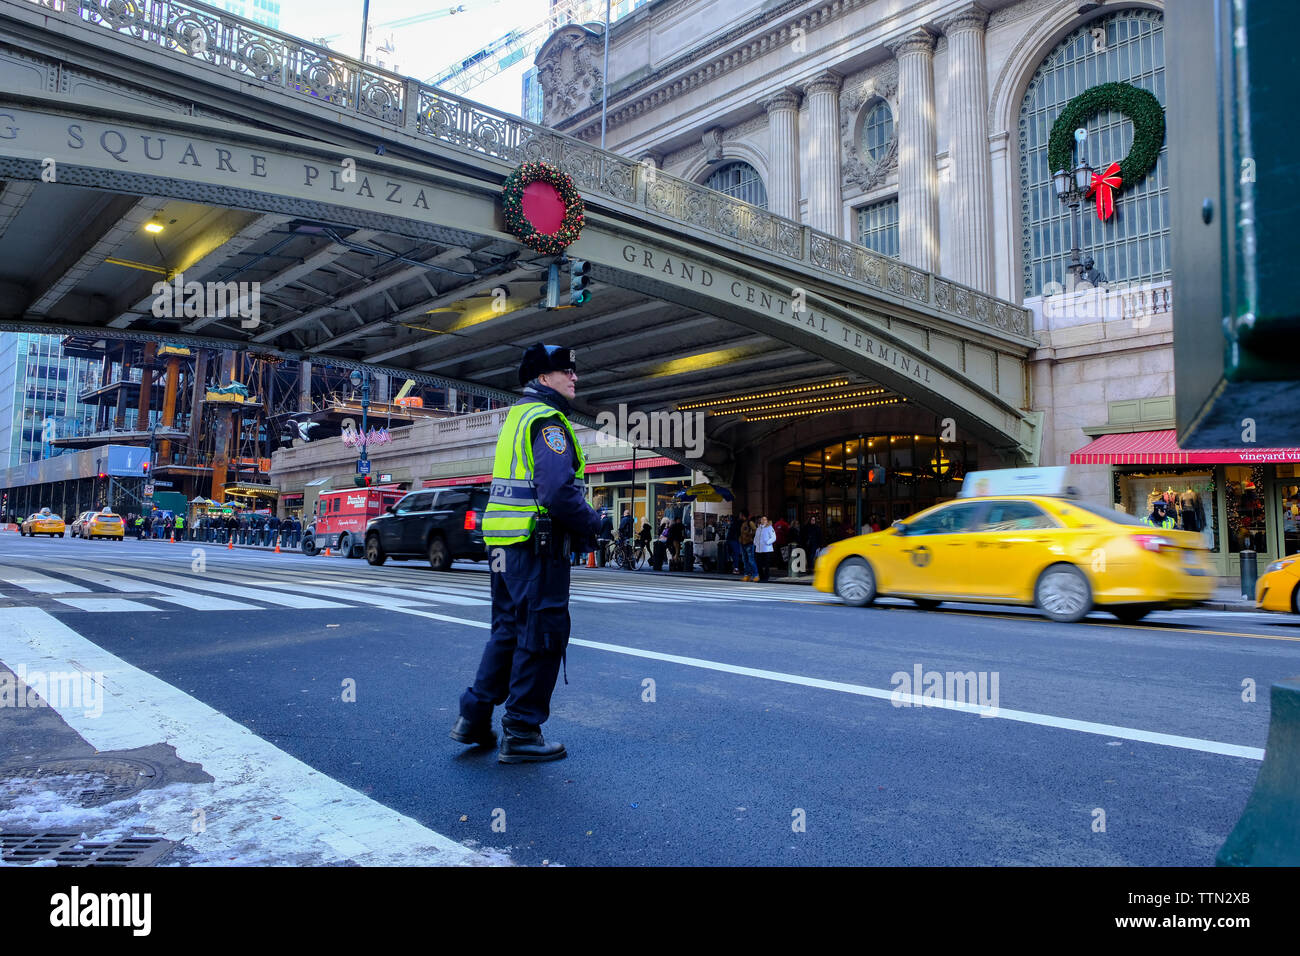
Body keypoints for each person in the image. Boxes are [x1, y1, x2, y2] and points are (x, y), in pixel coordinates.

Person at [452, 344, 601, 764]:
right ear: (541, 379)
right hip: (537, 547)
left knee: (507, 631)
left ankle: (474, 716)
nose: (574, 378)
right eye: (563, 372)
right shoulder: (547, 421)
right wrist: (593, 523)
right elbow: (557, 491)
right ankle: (521, 731)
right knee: (542, 634)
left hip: (504, 546)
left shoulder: (516, 418)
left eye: (573, 371)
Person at [755, 515, 776, 581]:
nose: (763, 521)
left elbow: (773, 537)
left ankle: (766, 577)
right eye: (762, 519)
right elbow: (756, 537)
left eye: (765, 519)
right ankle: (761, 577)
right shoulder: (758, 528)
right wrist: (755, 543)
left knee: (766, 565)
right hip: (758, 549)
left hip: (766, 549)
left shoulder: (769, 528)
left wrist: (767, 542)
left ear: (767, 521)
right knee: (759, 564)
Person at [739, 510, 758, 581]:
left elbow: (755, 530)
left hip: (749, 543)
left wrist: (749, 535)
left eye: (740, 514)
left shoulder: (750, 522)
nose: (739, 516)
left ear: (743, 515)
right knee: (745, 560)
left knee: (751, 560)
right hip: (743, 543)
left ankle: (756, 575)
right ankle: (747, 575)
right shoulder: (742, 523)